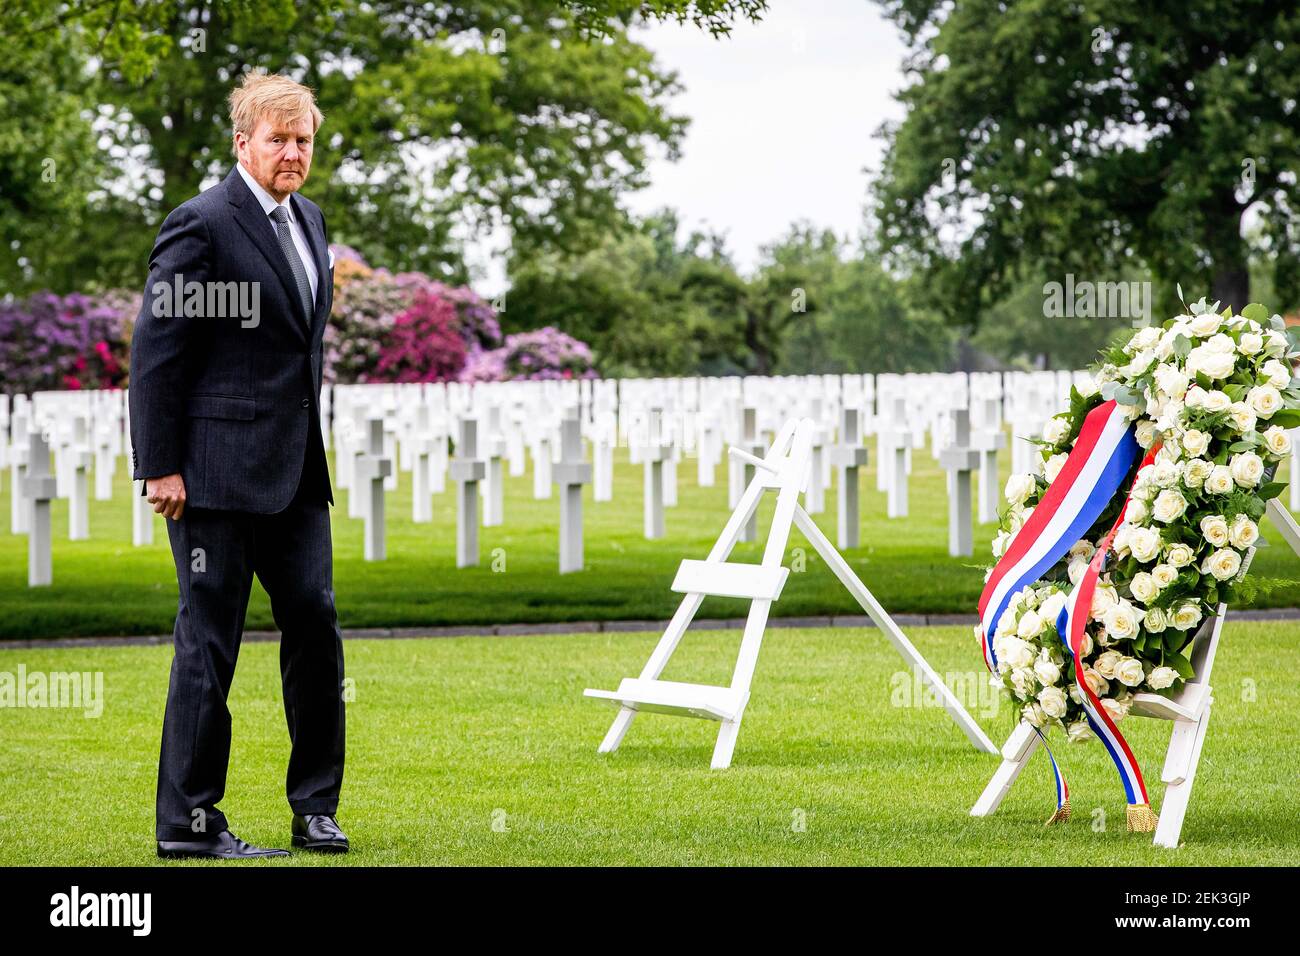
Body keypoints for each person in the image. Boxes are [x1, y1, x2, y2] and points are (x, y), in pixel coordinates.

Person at [130, 69, 348, 859]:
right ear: (242, 142)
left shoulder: (310, 221)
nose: (292, 153)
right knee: (208, 646)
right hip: (211, 480)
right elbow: (157, 354)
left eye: (303, 141)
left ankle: (315, 807)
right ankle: (191, 825)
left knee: (316, 631)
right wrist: (159, 465)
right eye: (278, 139)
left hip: (295, 476)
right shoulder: (202, 223)